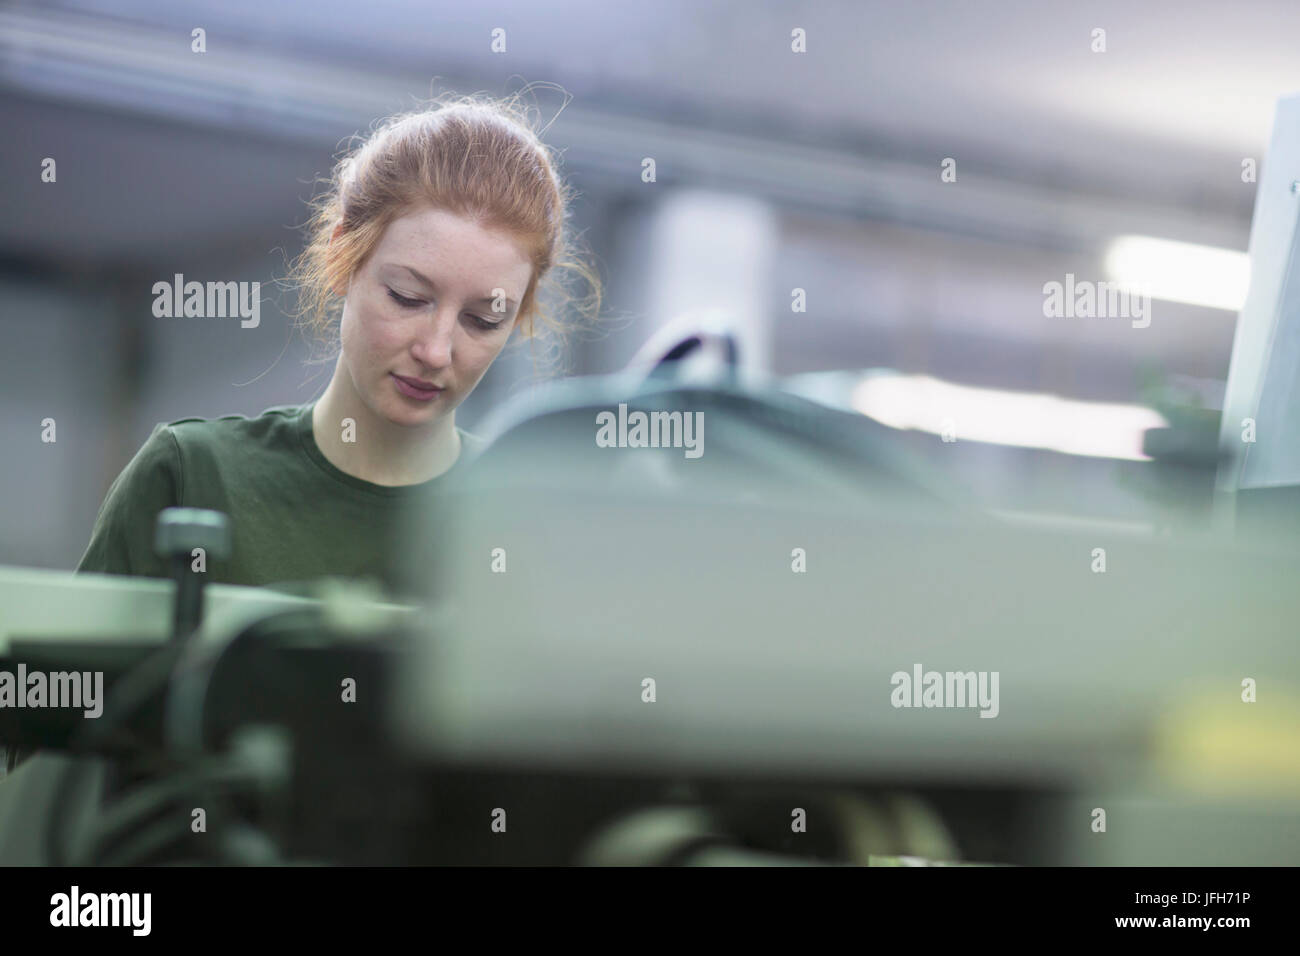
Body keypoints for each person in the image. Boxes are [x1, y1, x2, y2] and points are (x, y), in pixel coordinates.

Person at [74, 92, 602, 600]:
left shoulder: (533, 525)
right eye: (407, 296)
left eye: (483, 319)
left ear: (521, 314)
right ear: (343, 259)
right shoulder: (193, 480)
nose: (437, 352)